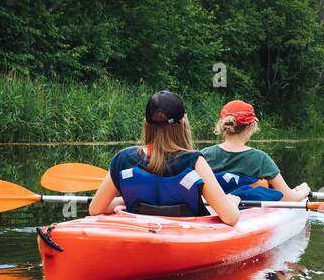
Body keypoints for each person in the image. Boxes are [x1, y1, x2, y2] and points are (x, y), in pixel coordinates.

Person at [88, 90, 240, 225]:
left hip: (142, 237)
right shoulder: (194, 162)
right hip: (186, 241)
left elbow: (95, 209)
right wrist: (232, 204)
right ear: (183, 124)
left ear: (146, 124)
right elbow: (230, 218)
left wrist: (122, 201)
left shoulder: (123, 159)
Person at [202, 100, 310, 202]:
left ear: (222, 125)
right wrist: (303, 191)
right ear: (251, 126)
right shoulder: (261, 159)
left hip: (211, 210)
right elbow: (287, 198)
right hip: (246, 214)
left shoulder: (204, 155)